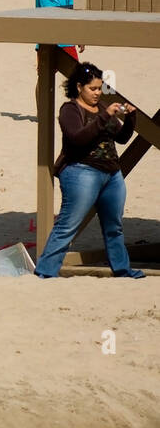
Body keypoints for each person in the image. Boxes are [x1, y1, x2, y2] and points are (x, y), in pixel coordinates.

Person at [35, 62, 144, 279]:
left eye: (99, 88)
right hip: (81, 172)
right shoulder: (69, 110)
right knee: (67, 225)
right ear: (79, 87)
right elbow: (77, 138)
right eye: (92, 88)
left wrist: (131, 118)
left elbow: (121, 138)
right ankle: (45, 272)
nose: (97, 93)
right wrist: (105, 117)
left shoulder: (102, 108)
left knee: (114, 227)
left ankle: (123, 271)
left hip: (112, 174)